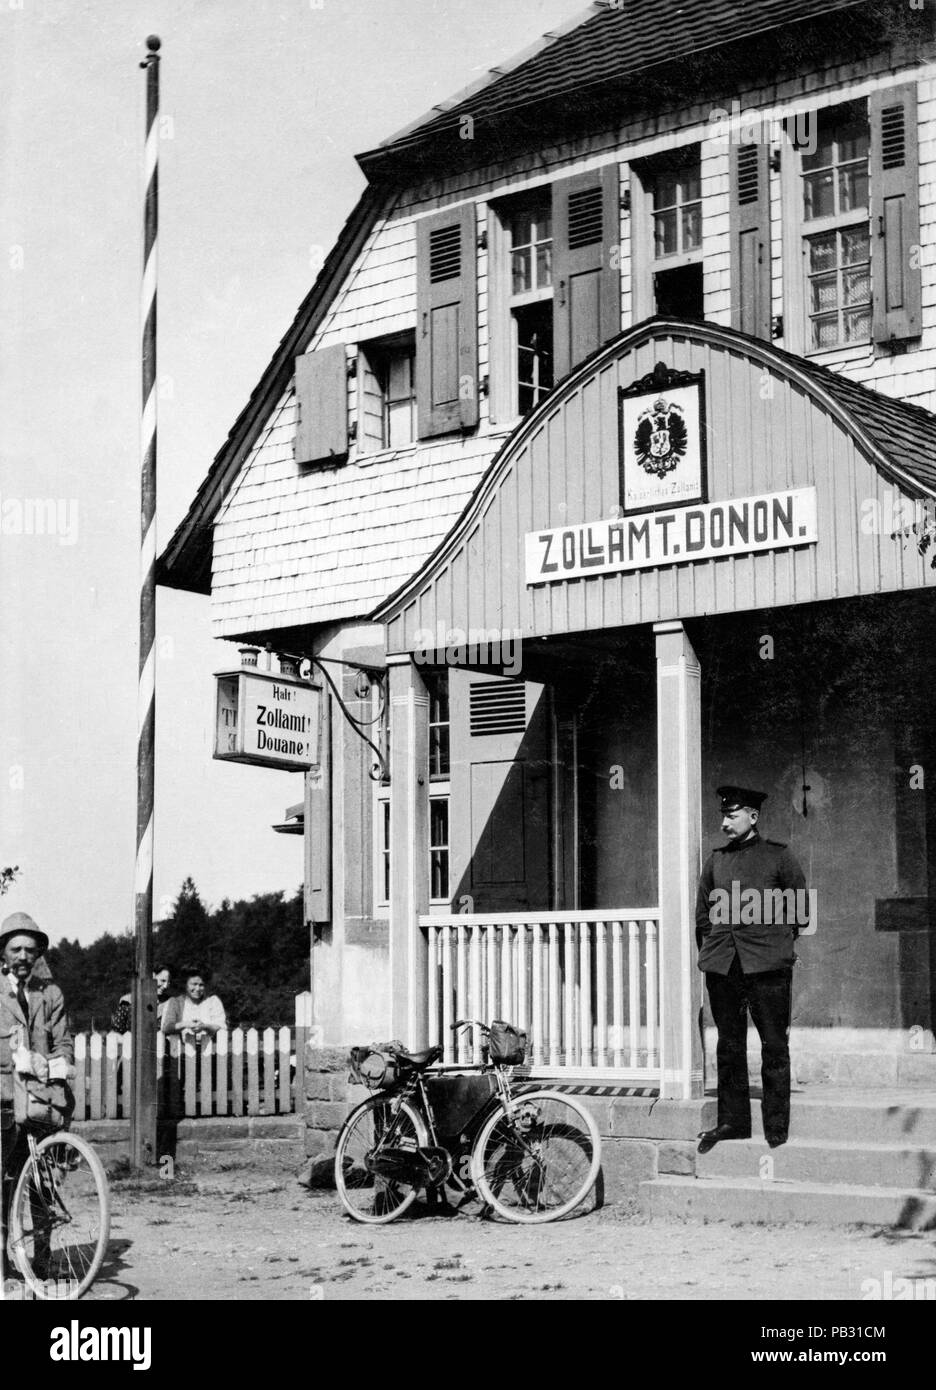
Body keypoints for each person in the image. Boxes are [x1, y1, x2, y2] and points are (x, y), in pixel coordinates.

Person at [694, 786, 808, 1152]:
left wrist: (773, 949)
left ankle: (776, 1126)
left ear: (753, 817)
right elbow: (703, 918)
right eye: (724, 816)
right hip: (724, 967)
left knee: (774, 1045)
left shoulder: (779, 857)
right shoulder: (715, 861)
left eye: (733, 815)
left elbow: (800, 911)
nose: (725, 822)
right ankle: (733, 1122)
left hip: (767, 968)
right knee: (729, 1045)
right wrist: (716, 952)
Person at [0, 912, 74, 1281]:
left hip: (42, 1099)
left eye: (31, 949)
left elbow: (63, 1043)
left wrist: (56, 1066)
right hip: (2, 1100)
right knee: (2, 1181)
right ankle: (3, 1267)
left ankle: (43, 1260)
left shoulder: (50, 994)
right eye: (16, 948)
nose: (23, 955)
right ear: (4, 953)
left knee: (43, 1183)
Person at [160, 968, 226, 1041]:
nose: (197, 989)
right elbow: (166, 1027)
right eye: (194, 984)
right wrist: (186, 1024)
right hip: (179, 1049)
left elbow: (220, 1026)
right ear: (185, 985)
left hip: (210, 1049)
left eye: (201, 985)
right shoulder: (175, 1002)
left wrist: (204, 1026)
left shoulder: (213, 1001)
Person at [112, 965, 173, 1032]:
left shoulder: (170, 1003)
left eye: (168, 982)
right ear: (153, 976)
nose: (166, 986)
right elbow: (116, 1031)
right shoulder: (128, 1001)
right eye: (163, 981)